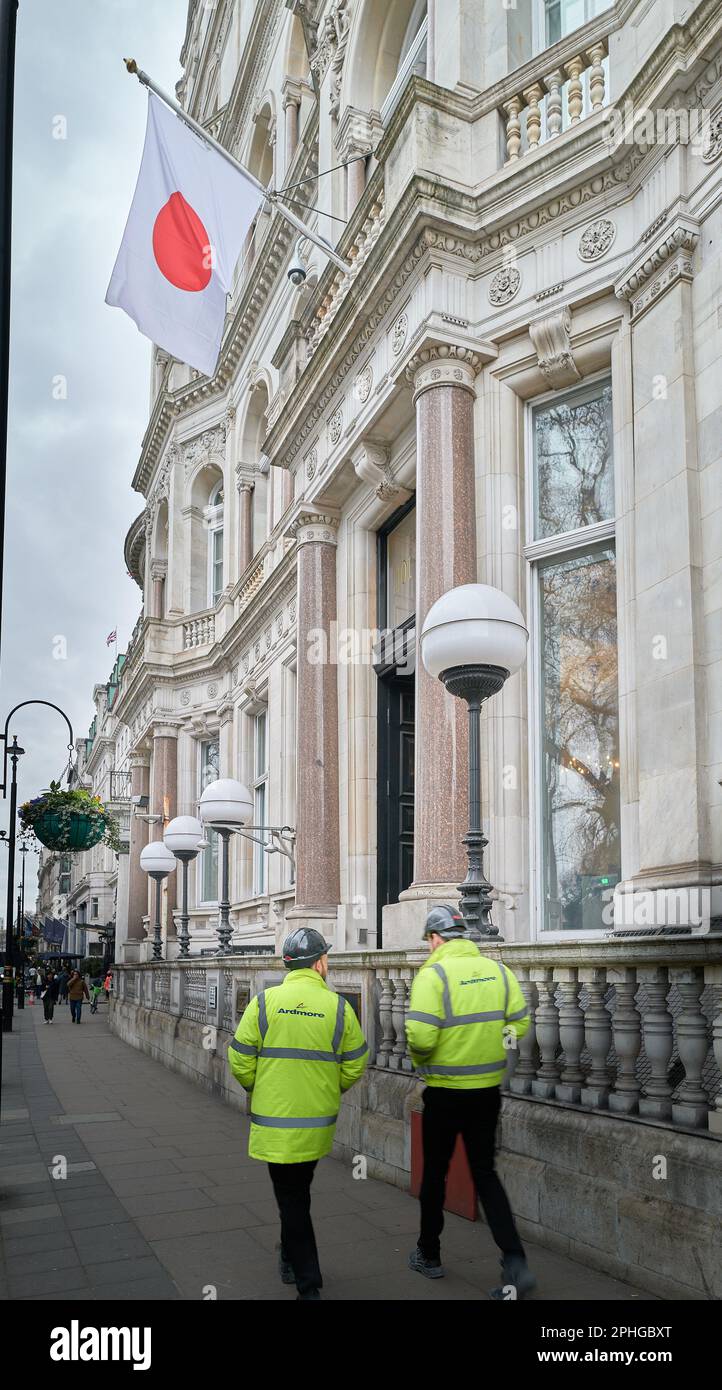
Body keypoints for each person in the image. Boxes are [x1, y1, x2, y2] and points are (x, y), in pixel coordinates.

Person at [228, 927, 369, 1300]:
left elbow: (240, 1058)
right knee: (298, 1193)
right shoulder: (338, 1006)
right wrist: (330, 1089)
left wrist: (257, 1089)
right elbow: (356, 1063)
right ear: (321, 962)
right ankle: (290, 1258)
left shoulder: (263, 1002)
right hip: (317, 1122)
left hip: (273, 1121)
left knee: (290, 1197)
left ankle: (308, 1283)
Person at [405, 905, 535, 1300]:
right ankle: (515, 1261)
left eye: (429, 941)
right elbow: (521, 1021)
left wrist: (426, 1061)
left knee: (435, 1173)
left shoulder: (434, 974)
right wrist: (492, 1046)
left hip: (444, 1092)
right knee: (485, 1174)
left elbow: (421, 1037)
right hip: (487, 1091)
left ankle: (429, 1254)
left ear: (435, 939)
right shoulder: (497, 970)